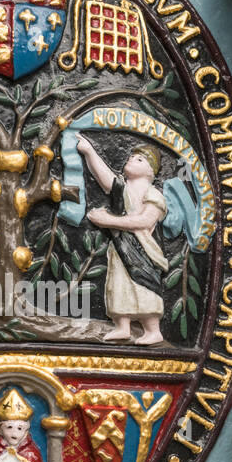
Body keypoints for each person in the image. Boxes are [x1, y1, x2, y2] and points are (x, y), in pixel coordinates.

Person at [76, 136, 168, 344]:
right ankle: (122, 326)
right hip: (120, 248)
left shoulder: (153, 194)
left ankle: (153, 330)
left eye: (139, 159)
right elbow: (104, 177)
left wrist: (108, 220)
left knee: (144, 285)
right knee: (118, 284)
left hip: (143, 250)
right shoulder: (123, 189)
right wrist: (89, 151)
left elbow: (145, 221)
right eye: (131, 156)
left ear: (151, 171)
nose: (131, 159)